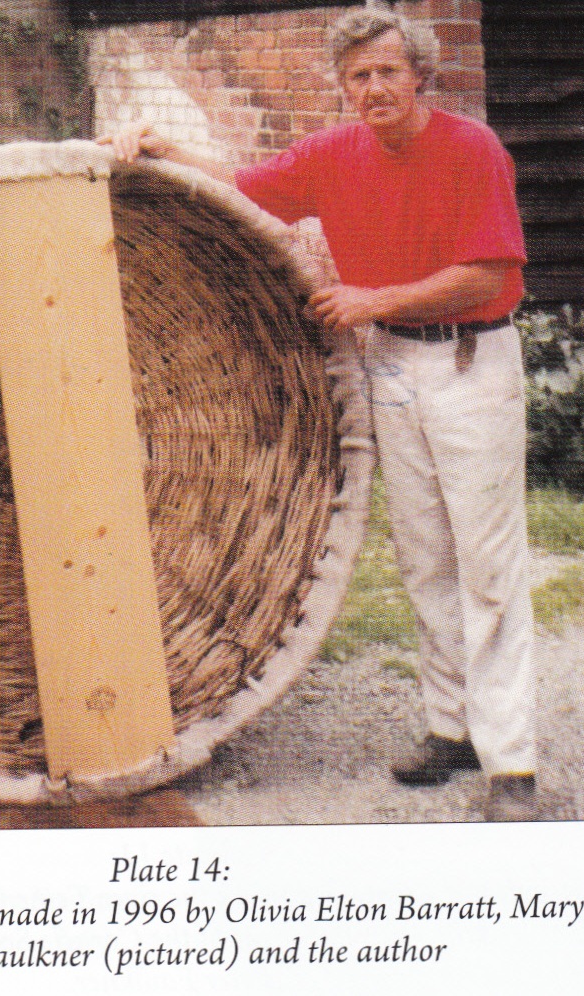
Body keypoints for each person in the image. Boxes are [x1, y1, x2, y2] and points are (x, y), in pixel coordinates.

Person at [100, 5, 537, 822]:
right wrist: (157, 149)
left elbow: (487, 272)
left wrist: (374, 299)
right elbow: (239, 184)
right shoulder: (334, 153)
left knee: (487, 563)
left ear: (419, 75)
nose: (374, 88)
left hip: (469, 361)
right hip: (393, 362)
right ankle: (451, 729)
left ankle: (510, 762)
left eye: (387, 71)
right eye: (358, 76)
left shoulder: (471, 149)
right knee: (424, 557)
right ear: (343, 86)